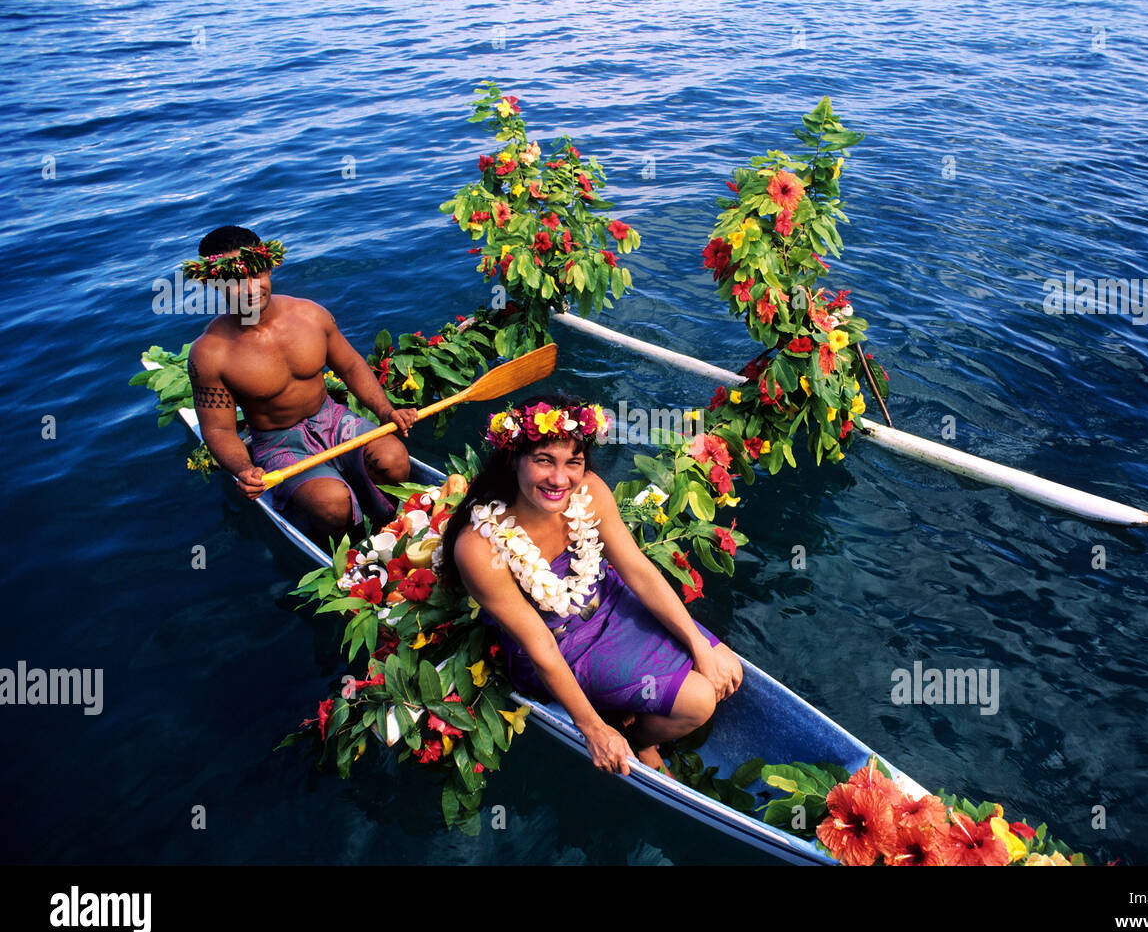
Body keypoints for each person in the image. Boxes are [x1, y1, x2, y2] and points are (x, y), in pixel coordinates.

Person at [441, 395, 744, 776]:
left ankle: (636, 709)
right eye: (543, 460)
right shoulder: (479, 546)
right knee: (699, 700)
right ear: (513, 458)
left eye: (573, 462)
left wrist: (700, 647)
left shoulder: (590, 492)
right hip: (563, 644)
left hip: (613, 601)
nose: (559, 478)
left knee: (728, 669)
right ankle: (637, 736)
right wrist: (594, 729)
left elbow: (639, 571)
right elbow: (540, 646)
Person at [182, 226, 418, 538]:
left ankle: (391, 528)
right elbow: (218, 429)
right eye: (235, 281)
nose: (250, 288)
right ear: (214, 283)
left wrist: (387, 413)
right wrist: (244, 470)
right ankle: (346, 544)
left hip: (334, 419)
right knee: (332, 504)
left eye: (256, 273)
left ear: (268, 266)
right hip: (277, 441)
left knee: (395, 460)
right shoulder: (210, 353)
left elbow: (350, 366)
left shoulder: (310, 315)